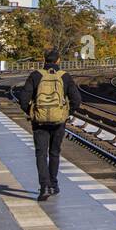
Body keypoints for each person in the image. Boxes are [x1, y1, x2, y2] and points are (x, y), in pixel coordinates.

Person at [16, 49, 83, 201]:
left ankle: (44, 186)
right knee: (54, 152)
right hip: (58, 121)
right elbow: (76, 100)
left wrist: (32, 113)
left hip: (39, 122)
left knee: (41, 153)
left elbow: (23, 99)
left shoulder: (36, 75)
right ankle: (53, 184)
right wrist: (65, 113)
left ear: (44, 60)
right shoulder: (64, 76)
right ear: (59, 60)